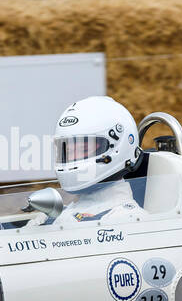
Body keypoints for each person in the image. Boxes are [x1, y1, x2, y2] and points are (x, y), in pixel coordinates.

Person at [50, 96, 145, 225]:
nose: (72, 156)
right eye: (68, 150)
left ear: (116, 145)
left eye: (82, 148)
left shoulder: (130, 219)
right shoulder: (68, 210)